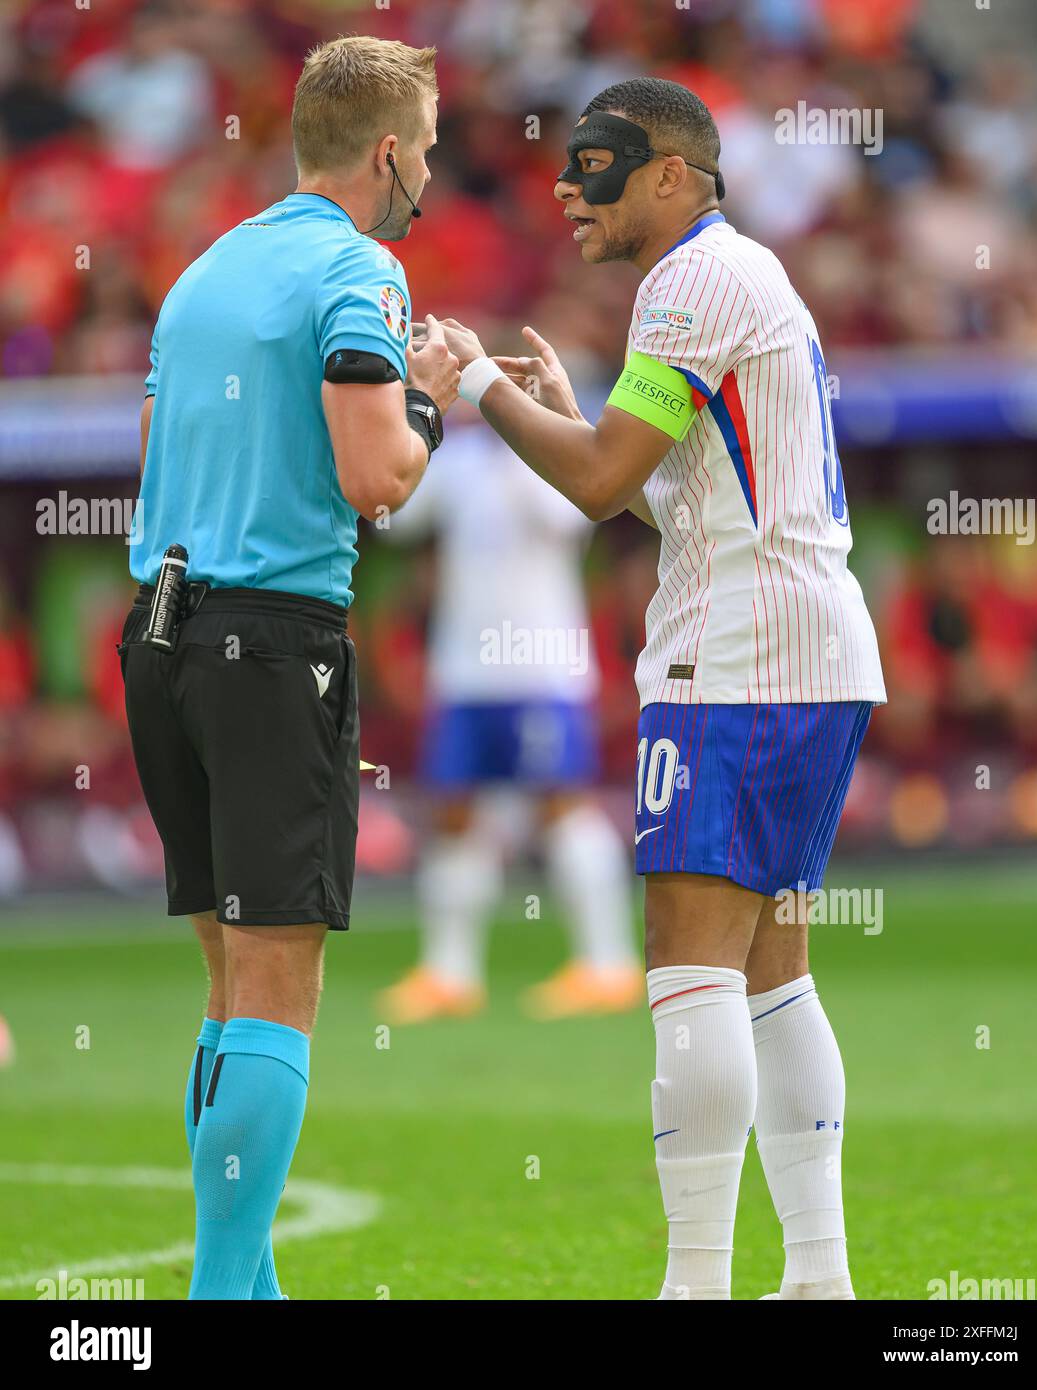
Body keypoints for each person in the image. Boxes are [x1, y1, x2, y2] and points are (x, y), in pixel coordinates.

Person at [431, 77, 886, 1300]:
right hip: (808, 650)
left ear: (673, 175)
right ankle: (818, 1278)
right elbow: (673, 490)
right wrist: (578, 424)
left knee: (689, 964)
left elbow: (591, 485)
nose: (570, 187)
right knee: (772, 970)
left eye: (601, 165)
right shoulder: (746, 273)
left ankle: (693, 1285)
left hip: (734, 659)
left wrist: (479, 387)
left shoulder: (685, 283)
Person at [120, 35, 459, 1300]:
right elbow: (378, 479)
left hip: (160, 635)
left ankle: (246, 1282)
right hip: (273, 644)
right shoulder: (361, 269)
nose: (427, 169)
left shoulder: (202, 269)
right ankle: (221, 1297)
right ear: (385, 152)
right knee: (279, 987)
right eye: (423, 147)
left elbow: (154, 449)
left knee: (225, 983)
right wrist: (429, 399)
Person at [375, 426, 642, 1024]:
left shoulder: (558, 448)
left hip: (541, 667)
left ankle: (608, 965)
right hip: (465, 669)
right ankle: (449, 974)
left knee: (561, 806)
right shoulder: (459, 458)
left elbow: (571, 518)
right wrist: (425, 429)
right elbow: (399, 515)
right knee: (453, 811)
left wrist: (524, 442)